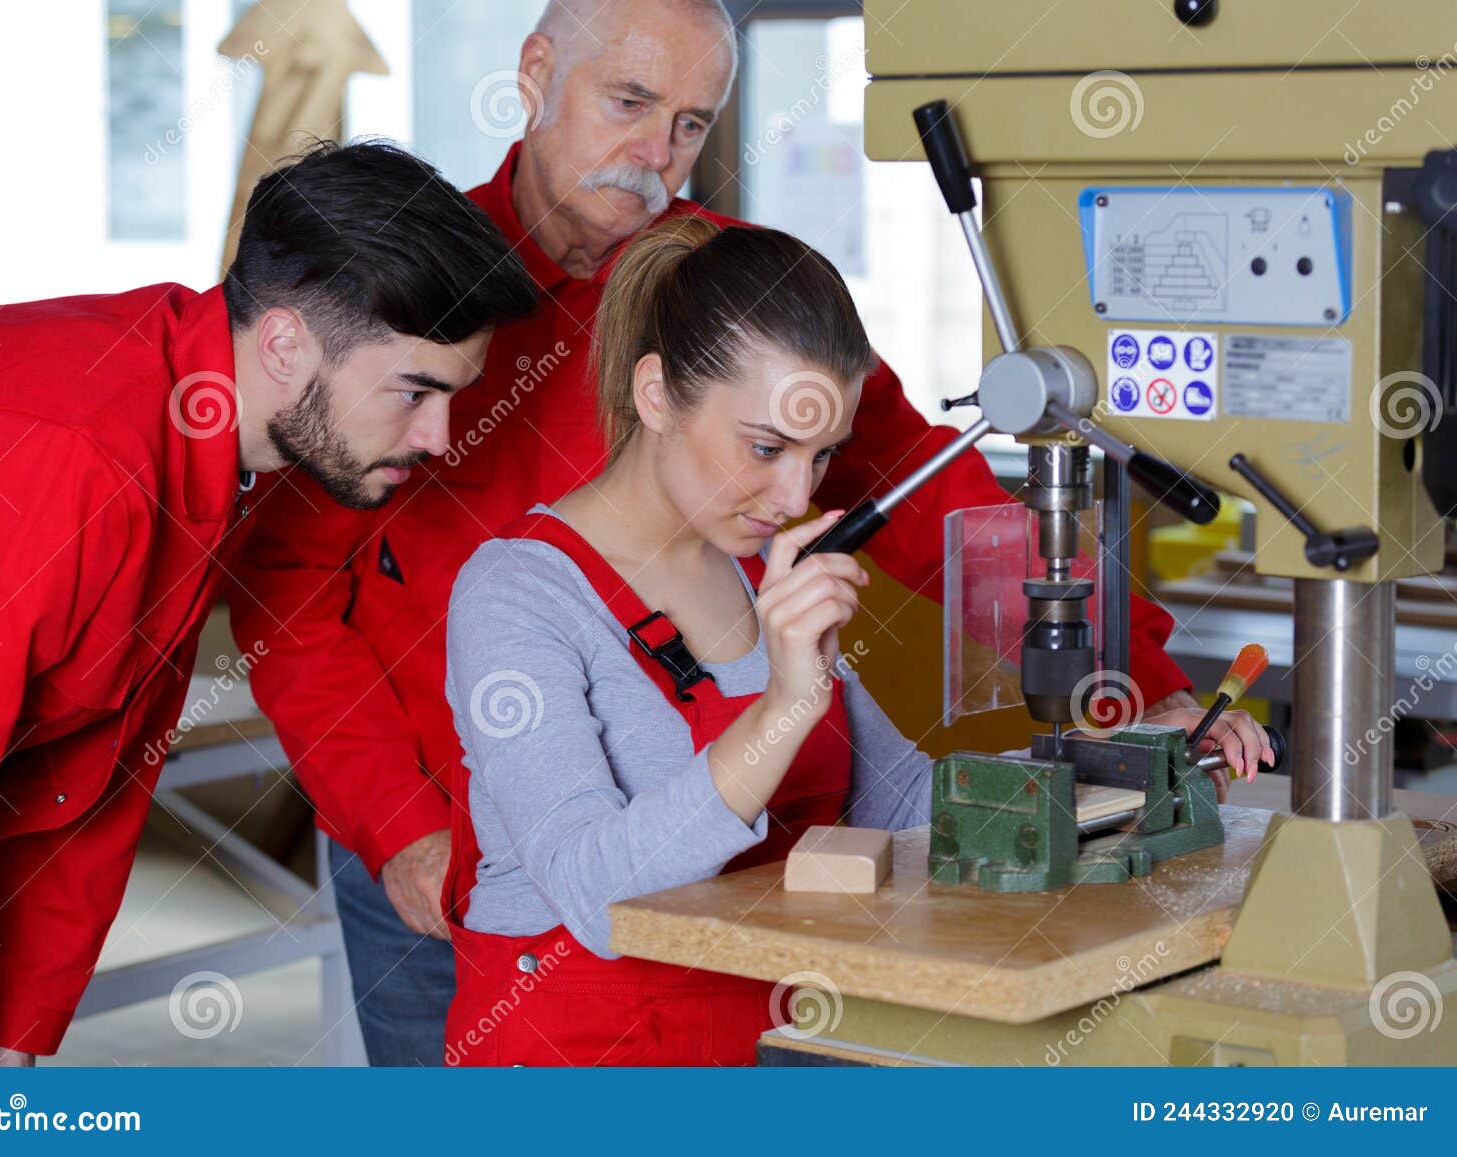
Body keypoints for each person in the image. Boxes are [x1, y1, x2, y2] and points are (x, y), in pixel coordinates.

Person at [227, 0, 1217, 1066]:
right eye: (629, 102)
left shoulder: (745, 301)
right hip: (439, 838)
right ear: (534, 73)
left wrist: (1133, 677)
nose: (656, 154)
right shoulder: (409, 291)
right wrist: (399, 824)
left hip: (714, 852)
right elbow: (281, 594)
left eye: (693, 123)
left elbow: (934, 503)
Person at [441, 217, 1270, 1066]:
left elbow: (902, 809)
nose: (794, 491)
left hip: (775, 1037)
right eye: (765, 447)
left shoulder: (759, 567)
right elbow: (593, 890)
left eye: (822, 454)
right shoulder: (516, 594)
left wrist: (1121, 762)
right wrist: (785, 705)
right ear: (656, 396)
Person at [0, 140, 537, 1067]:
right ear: (287, 340)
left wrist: (14, 1040)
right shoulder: (72, 463)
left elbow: (92, 768)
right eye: (415, 390)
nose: (440, 437)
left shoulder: (203, 437)